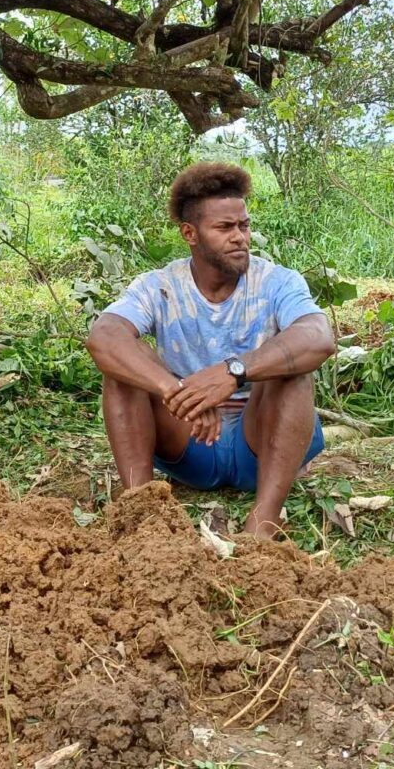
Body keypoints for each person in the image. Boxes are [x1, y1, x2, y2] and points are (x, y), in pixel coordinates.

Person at [85, 162, 337, 539]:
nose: (240, 237)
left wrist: (231, 372)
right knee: (123, 370)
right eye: (224, 228)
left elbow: (319, 336)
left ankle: (264, 521)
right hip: (192, 443)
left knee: (293, 366)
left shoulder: (276, 281)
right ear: (190, 233)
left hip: (261, 443)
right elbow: (103, 336)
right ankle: (138, 510)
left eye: (244, 225)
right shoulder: (160, 285)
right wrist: (179, 392)